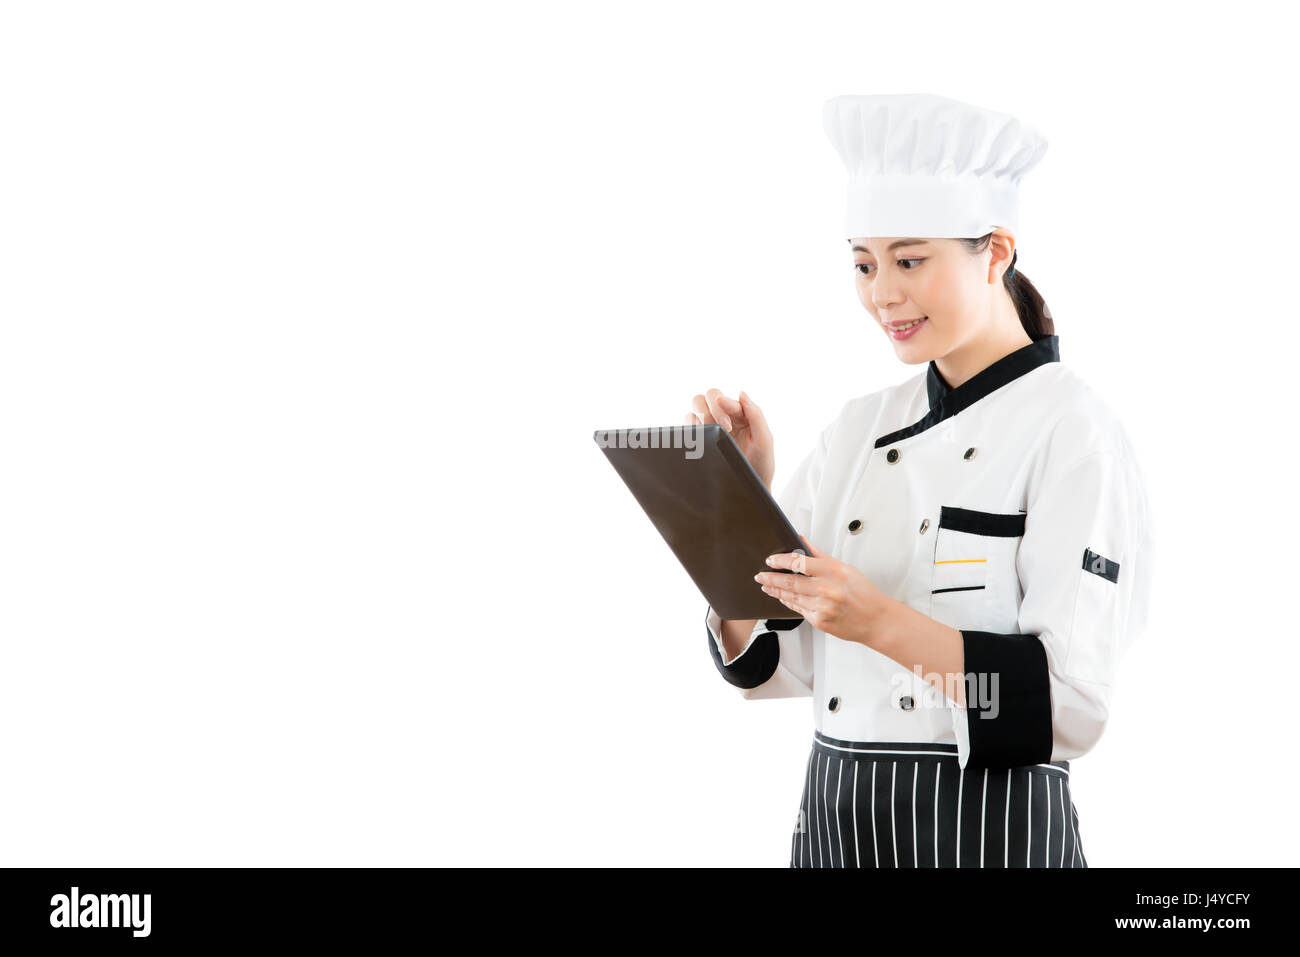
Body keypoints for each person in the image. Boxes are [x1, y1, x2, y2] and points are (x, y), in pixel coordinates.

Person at [688, 93, 1155, 868]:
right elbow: (777, 663)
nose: (882, 295)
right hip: (835, 824)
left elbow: (1067, 706)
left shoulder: (1074, 432)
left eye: (910, 260)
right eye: (864, 264)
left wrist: (878, 621)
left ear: (996, 251)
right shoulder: (856, 429)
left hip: (986, 831)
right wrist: (741, 505)